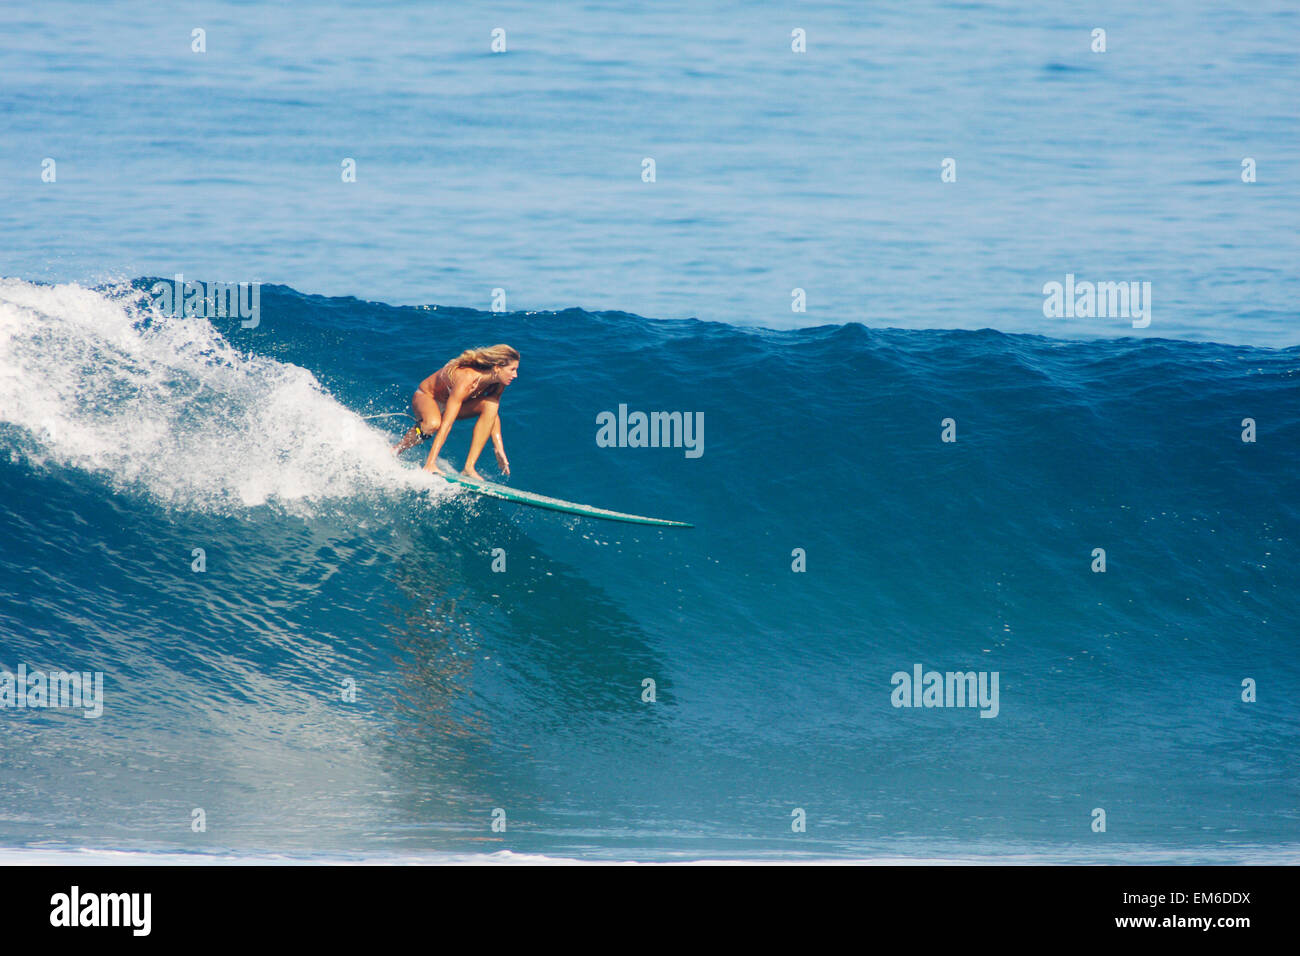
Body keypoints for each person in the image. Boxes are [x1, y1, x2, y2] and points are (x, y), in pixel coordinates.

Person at [392, 345, 519, 480]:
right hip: (427, 397)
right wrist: (430, 463)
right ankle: (396, 450)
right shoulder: (467, 379)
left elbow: (492, 413)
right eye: (512, 369)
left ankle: (469, 468)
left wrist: (498, 448)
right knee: (432, 425)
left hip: (448, 403)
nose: (515, 375)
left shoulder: (499, 382)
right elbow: (447, 423)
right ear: (497, 368)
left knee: (490, 404)